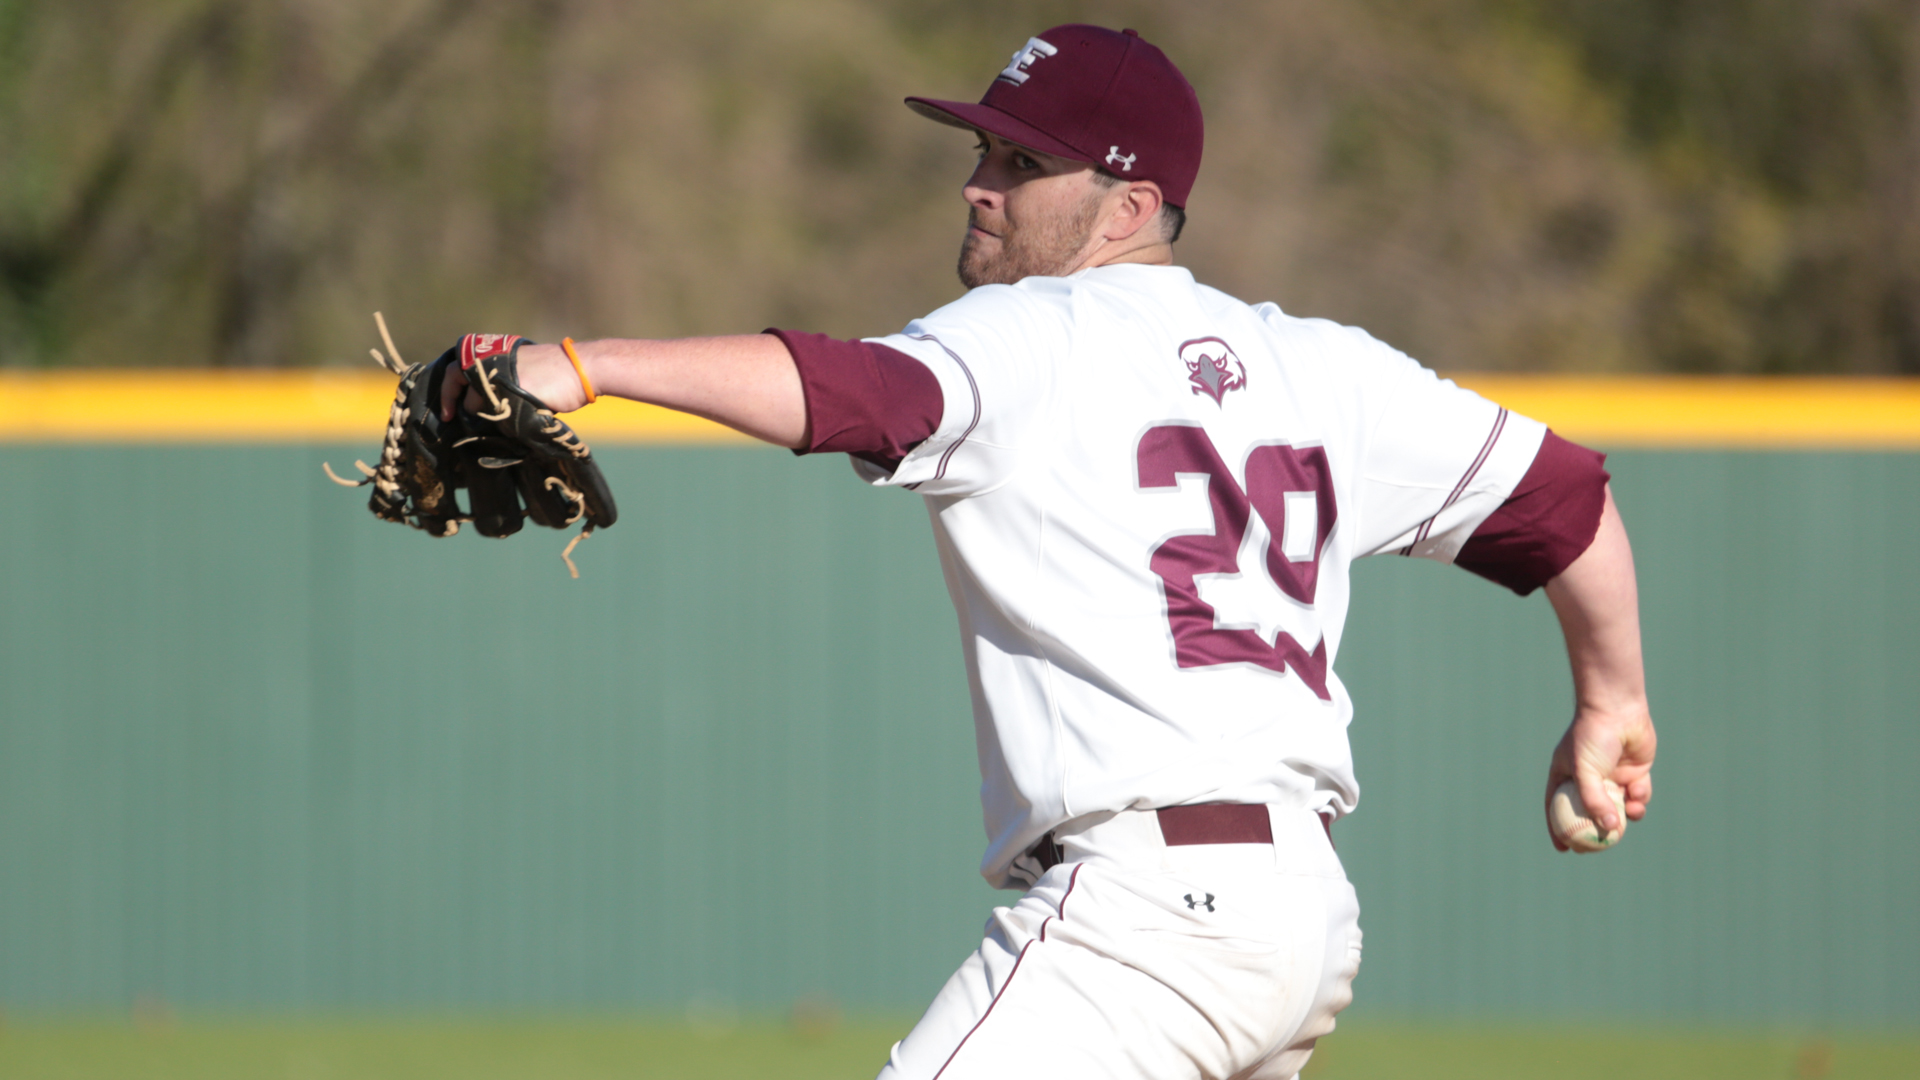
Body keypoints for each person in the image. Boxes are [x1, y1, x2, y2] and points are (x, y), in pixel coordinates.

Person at [441, 24, 1656, 1080]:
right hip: (1301, 922)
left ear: (1130, 206)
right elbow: (1565, 498)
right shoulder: (1321, 365)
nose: (980, 183)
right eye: (983, 152)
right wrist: (1612, 698)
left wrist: (585, 365)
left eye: (1021, 164)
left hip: (1143, 919)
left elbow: (854, 391)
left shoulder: (1032, 334)